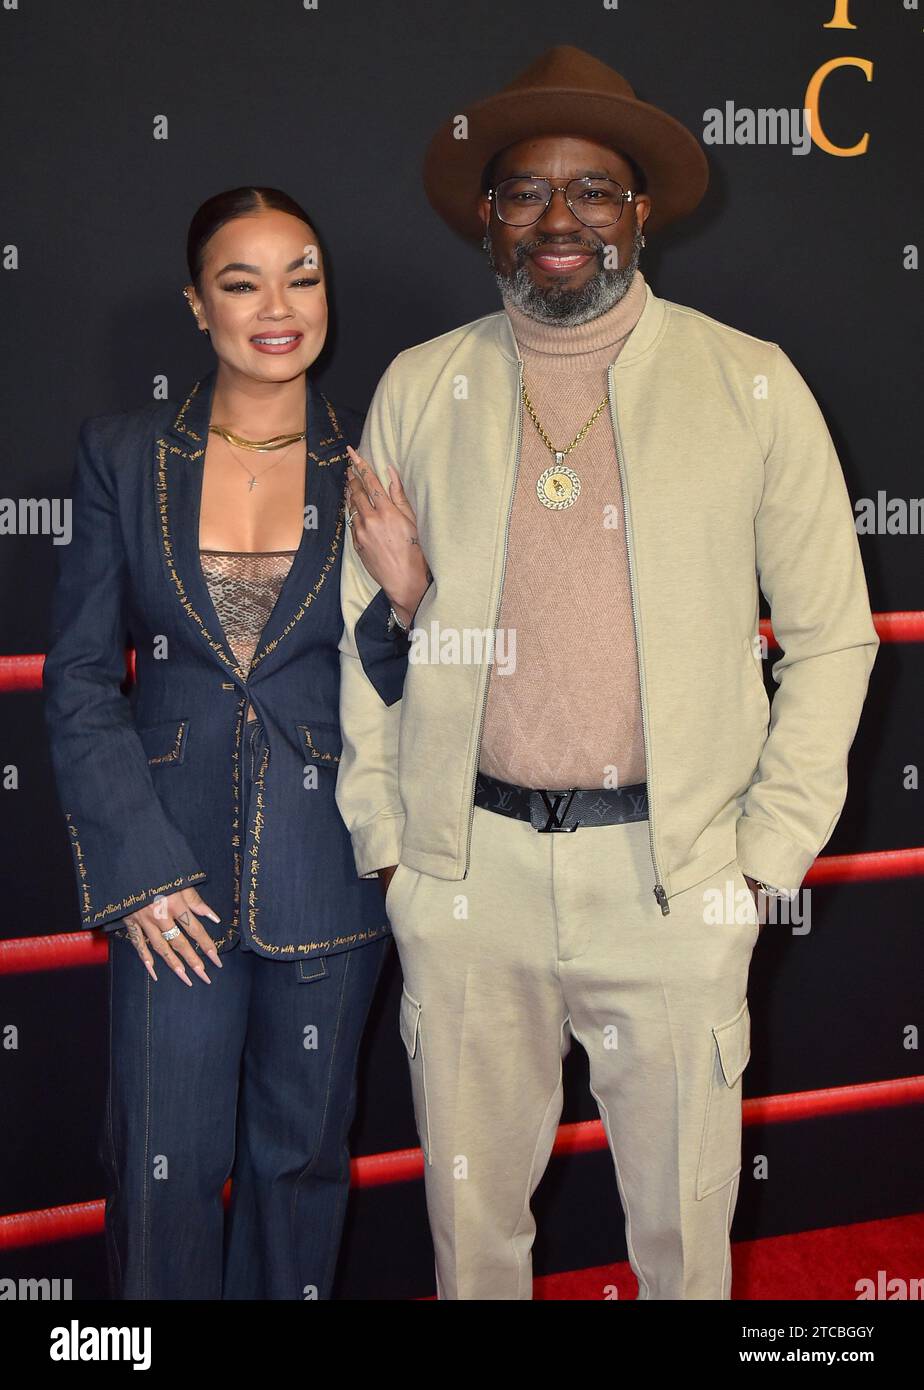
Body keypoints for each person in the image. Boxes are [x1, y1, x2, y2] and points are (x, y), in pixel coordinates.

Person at [336, 46, 880, 1299]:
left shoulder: (751, 384)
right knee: (472, 1246)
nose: (560, 218)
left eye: (594, 189)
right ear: (489, 217)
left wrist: (757, 865)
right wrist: (391, 845)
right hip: (470, 878)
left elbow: (834, 638)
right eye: (527, 190)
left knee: (686, 1244)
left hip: (675, 881)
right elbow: (368, 640)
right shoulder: (421, 387)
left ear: (640, 214)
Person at [43, 186, 402, 1300]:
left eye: (302, 274)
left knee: (300, 1166)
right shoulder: (126, 454)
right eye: (242, 282)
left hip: (330, 873)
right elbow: (82, 677)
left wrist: (412, 598)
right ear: (199, 305)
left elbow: (404, 691)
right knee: (162, 1168)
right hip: (169, 884)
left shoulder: (378, 467)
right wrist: (137, 872)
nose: (278, 304)